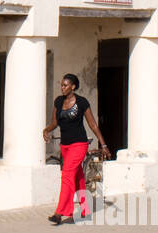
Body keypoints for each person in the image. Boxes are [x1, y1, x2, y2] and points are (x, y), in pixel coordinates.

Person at [42, 73, 109, 225]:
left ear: (73, 87)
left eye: (65, 85)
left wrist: (103, 144)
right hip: (65, 145)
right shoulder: (59, 101)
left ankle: (60, 213)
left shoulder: (82, 102)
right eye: (61, 85)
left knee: (67, 174)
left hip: (79, 144)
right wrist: (46, 130)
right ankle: (85, 209)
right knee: (77, 177)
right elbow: (54, 122)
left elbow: (93, 125)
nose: (62, 88)